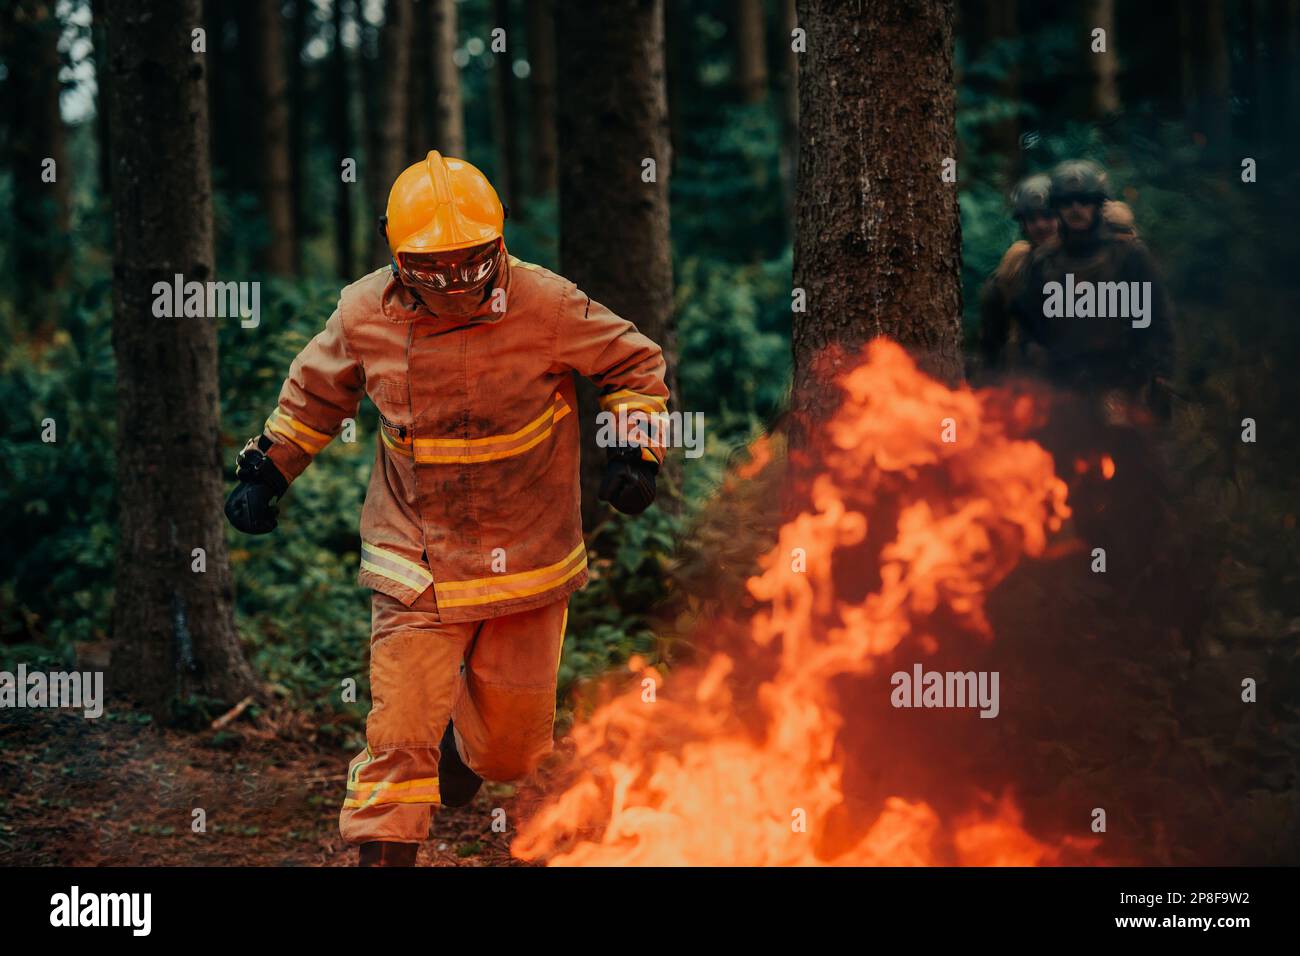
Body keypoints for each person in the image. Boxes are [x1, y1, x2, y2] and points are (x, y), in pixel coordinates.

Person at [224, 151, 670, 866]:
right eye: (434, 269)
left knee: (512, 752)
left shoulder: (547, 303)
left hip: (529, 556)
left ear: (499, 244)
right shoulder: (363, 312)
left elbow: (633, 363)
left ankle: (464, 750)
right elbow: (315, 396)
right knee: (399, 731)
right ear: (395, 254)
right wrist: (268, 473)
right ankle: (384, 849)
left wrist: (635, 451)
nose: (457, 283)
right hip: (415, 559)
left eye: (471, 262)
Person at [977, 173, 1057, 373]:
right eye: (1032, 219)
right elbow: (992, 337)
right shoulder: (1016, 264)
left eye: (1047, 216)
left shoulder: (1084, 259)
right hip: (1026, 377)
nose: (1040, 225)